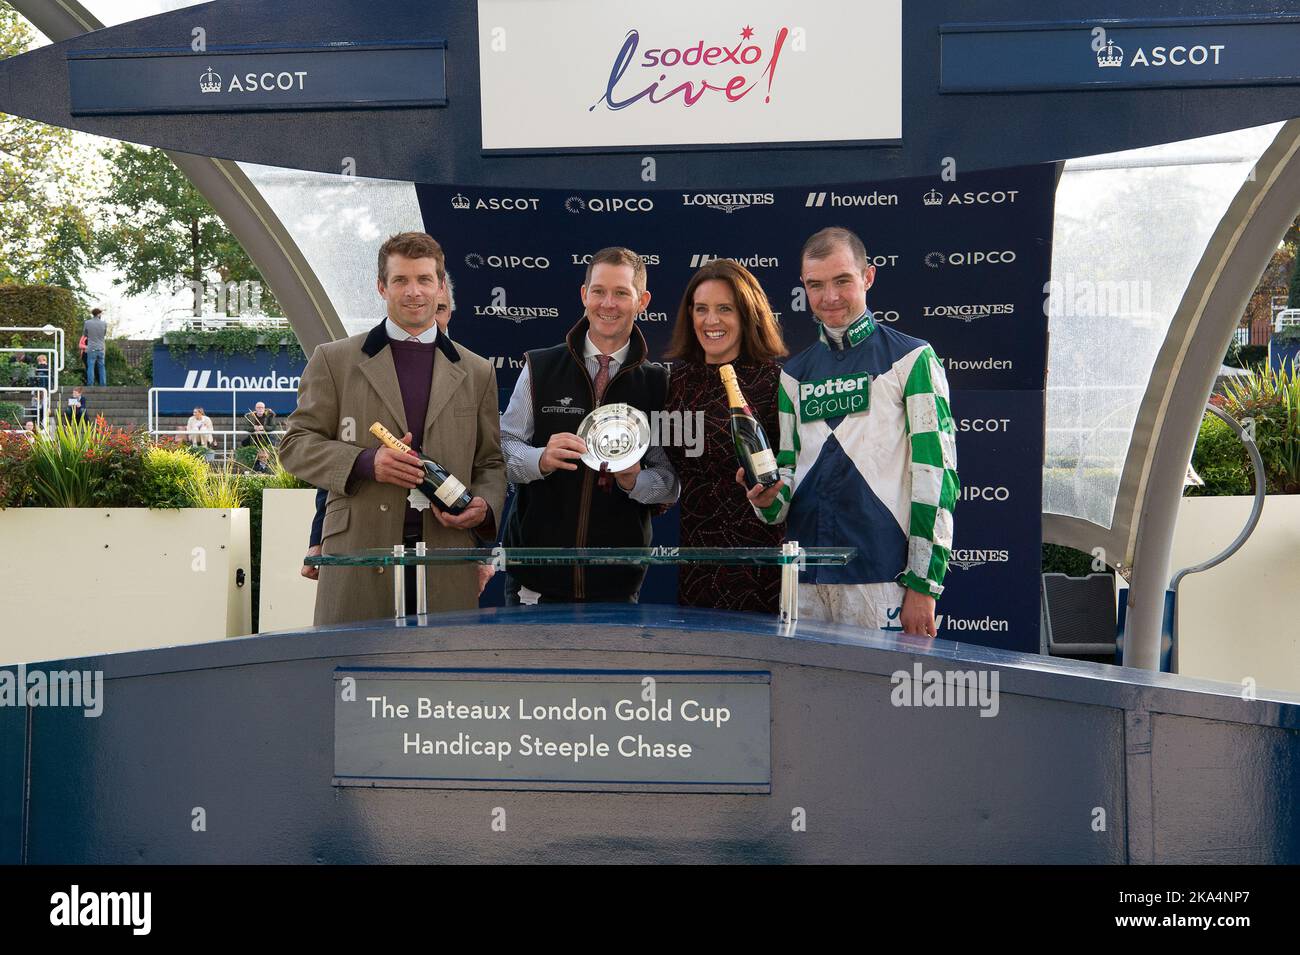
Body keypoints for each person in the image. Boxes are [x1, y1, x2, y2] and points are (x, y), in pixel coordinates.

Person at [279, 233, 505, 624]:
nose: (413, 292)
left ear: (439, 286)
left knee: (442, 678)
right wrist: (366, 462)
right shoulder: (334, 360)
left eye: (424, 279)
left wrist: (484, 509)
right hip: (358, 555)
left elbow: (489, 463)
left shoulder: (477, 370)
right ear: (381, 287)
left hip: (447, 559)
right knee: (353, 670)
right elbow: (296, 445)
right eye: (401, 280)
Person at [745, 227, 960, 636]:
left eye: (842, 280)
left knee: (876, 700)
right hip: (803, 577)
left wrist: (924, 584)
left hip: (881, 577)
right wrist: (768, 497)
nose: (829, 297)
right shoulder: (793, 374)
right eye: (816, 285)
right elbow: (788, 475)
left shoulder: (912, 359)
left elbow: (937, 476)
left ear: (868, 277)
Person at [500, 246, 678, 604]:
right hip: (534, 577)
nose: (607, 303)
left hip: (617, 582)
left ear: (642, 301)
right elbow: (503, 450)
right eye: (598, 291)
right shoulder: (540, 367)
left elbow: (671, 483)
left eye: (621, 293)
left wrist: (634, 480)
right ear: (584, 295)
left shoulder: (659, 384)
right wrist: (540, 460)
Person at [302, 272, 462, 583]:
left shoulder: (473, 373)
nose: (431, 314)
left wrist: (482, 551)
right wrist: (318, 537)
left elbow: (484, 467)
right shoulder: (360, 366)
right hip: (371, 545)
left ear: (450, 312)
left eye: (441, 308)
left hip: (444, 549)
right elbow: (331, 457)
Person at [663, 259, 788, 613]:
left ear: (747, 314)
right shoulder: (677, 381)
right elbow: (664, 470)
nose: (711, 320)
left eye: (724, 309)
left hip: (758, 566)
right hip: (696, 561)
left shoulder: (775, 383)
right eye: (701, 309)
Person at [84, 307, 107, 387]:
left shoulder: (87, 323)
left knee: (90, 366)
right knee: (101, 367)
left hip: (91, 348)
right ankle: (103, 384)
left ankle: (90, 384)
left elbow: (85, 334)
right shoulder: (104, 323)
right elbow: (104, 334)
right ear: (99, 314)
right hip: (101, 348)